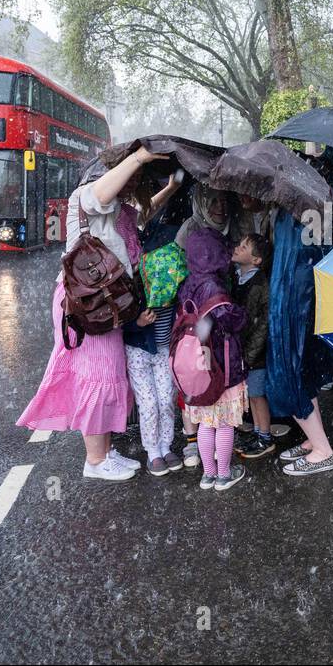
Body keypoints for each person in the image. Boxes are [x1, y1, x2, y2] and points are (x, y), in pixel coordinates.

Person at [17, 143, 168, 480]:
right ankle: (96, 461)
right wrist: (139, 157)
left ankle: (105, 451)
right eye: (129, 176)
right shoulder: (86, 195)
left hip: (105, 304)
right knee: (98, 377)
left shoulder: (113, 209)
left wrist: (164, 184)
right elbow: (102, 195)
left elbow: (136, 212)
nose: (132, 184)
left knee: (110, 375)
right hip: (84, 305)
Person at [177, 228, 250, 491]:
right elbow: (232, 320)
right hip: (223, 368)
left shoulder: (188, 284)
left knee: (207, 424)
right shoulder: (214, 287)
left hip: (199, 369)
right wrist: (242, 311)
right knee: (225, 424)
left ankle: (207, 475)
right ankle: (223, 474)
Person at [122, 174, 186, 476]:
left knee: (165, 400)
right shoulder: (134, 279)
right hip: (138, 348)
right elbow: (122, 319)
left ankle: (167, 446)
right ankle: (153, 452)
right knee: (147, 405)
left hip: (163, 350)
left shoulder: (173, 285)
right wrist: (137, 322)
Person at [269, 210, 333, 475]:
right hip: (297, 301)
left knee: (291, 375)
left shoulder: (306, 213)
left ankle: (324, 450)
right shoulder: (296, 213)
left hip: (296, 304)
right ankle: (316, 439)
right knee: (302, 375)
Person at [231, 231, 276, 458]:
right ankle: (259, 433)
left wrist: (250, 353)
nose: (238, 247)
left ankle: (265, 437)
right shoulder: (238, 277)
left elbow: (263, 323)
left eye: (244, 246)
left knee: (258, 395)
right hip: (244, 350)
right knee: (252, 394)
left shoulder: (260, 283)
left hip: (255, 353)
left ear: (256, 260)